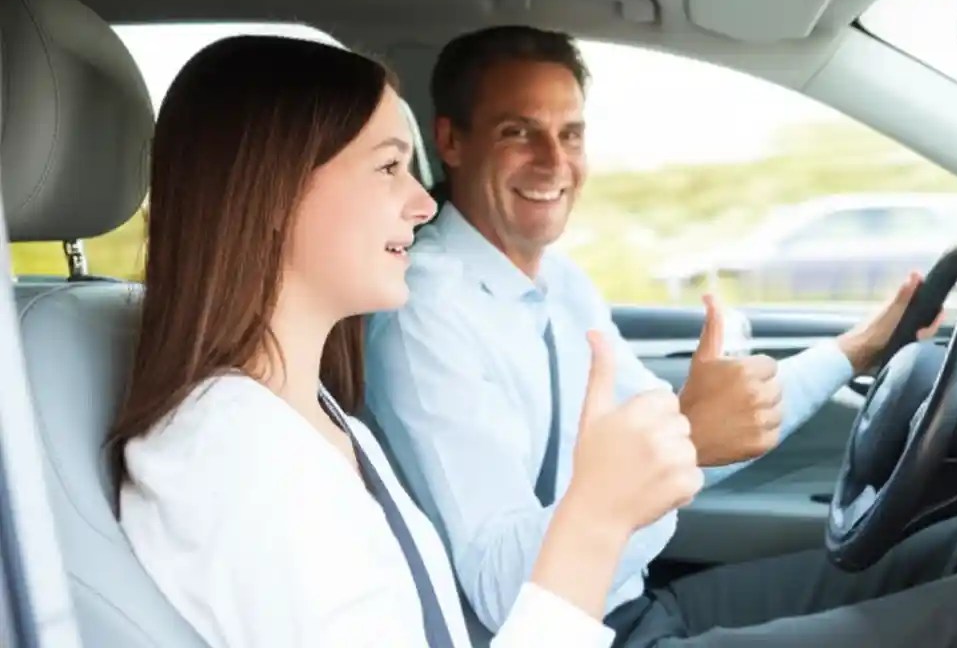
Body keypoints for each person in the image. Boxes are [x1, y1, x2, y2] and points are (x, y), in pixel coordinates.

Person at [363, 25, 957, 647]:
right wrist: (686, 443)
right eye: (519, 131)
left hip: (637, 607)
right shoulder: (427, 315)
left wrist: (857, 350)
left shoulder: (562, 285)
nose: (555, 161)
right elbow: (503, 597)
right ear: (452, 141)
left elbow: (710, 431)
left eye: (571, 133)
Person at [109, 34, 709, 648]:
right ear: (276, 192)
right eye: (389, 167)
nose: (424, 202)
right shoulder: (237, 457)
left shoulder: (310, 414)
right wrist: (594, 518)